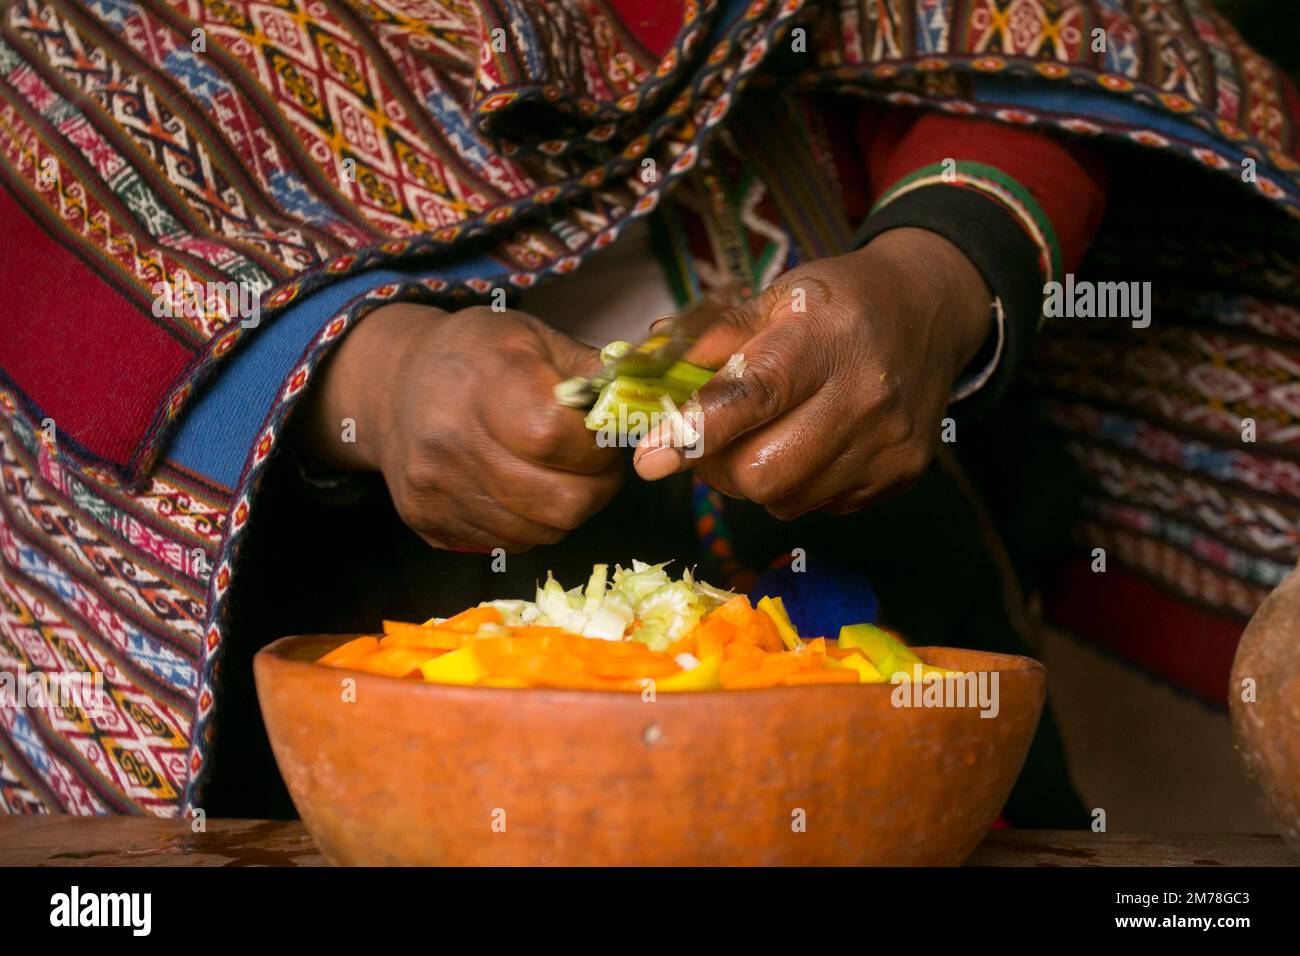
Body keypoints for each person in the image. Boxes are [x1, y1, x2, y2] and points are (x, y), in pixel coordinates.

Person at [0, 1, 1295, 826]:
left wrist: (936, 274)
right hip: (382, 674)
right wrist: (379, 381)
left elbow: (1028, 34)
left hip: (875, 589)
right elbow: (55, 160)